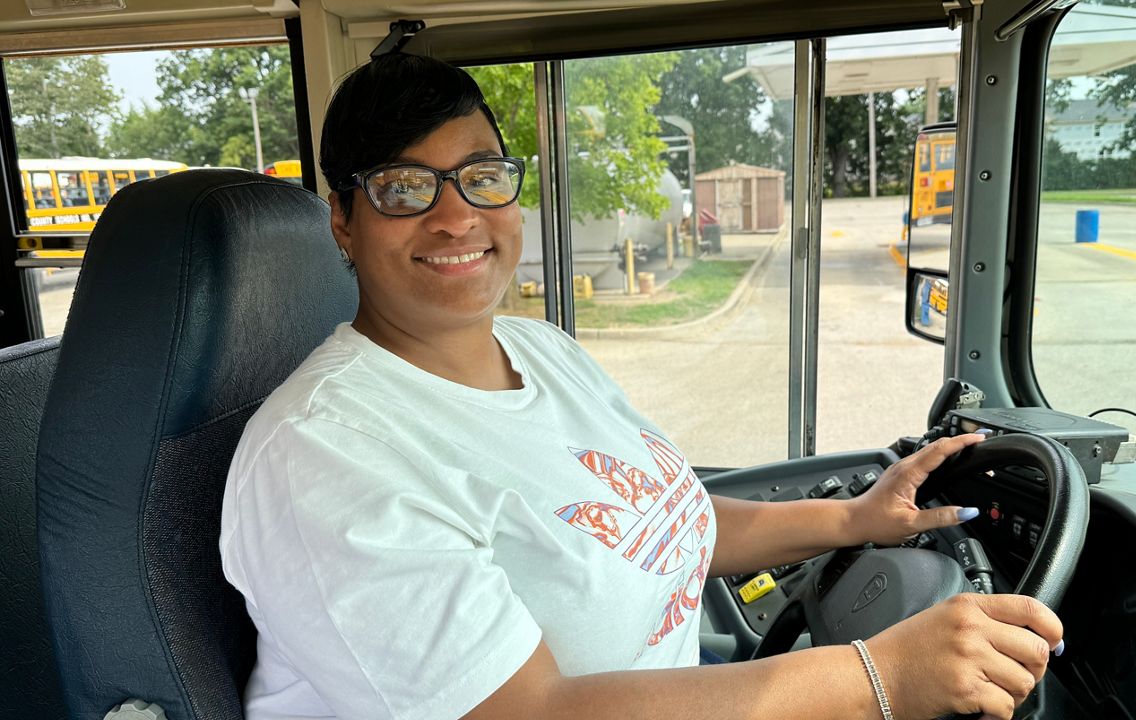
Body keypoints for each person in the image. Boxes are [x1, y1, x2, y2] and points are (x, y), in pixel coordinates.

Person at [220, 54, 1064, 720]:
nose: (456, 217)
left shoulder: (537, 347)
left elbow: (658, 524)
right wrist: (878, 679)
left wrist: (851, 520)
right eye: (403, 189)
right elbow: (525, 716)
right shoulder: (324, 457)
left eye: (480, 175)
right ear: (343, 220)